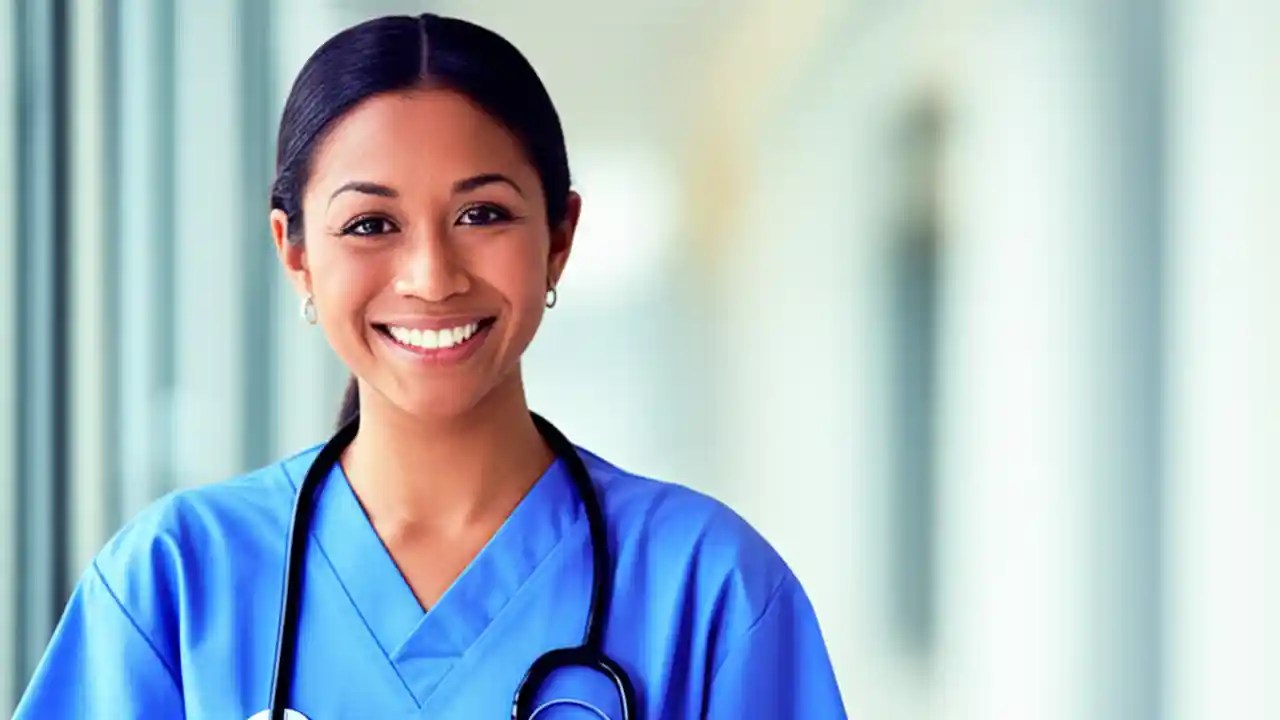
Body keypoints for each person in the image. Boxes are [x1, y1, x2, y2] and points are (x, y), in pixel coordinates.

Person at [15, 13, 845, 719]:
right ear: (294, 254)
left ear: (558, 238)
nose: (432, 276)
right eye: (371, 225)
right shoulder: (176, 583)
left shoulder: (709, 591)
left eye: (482, 214)